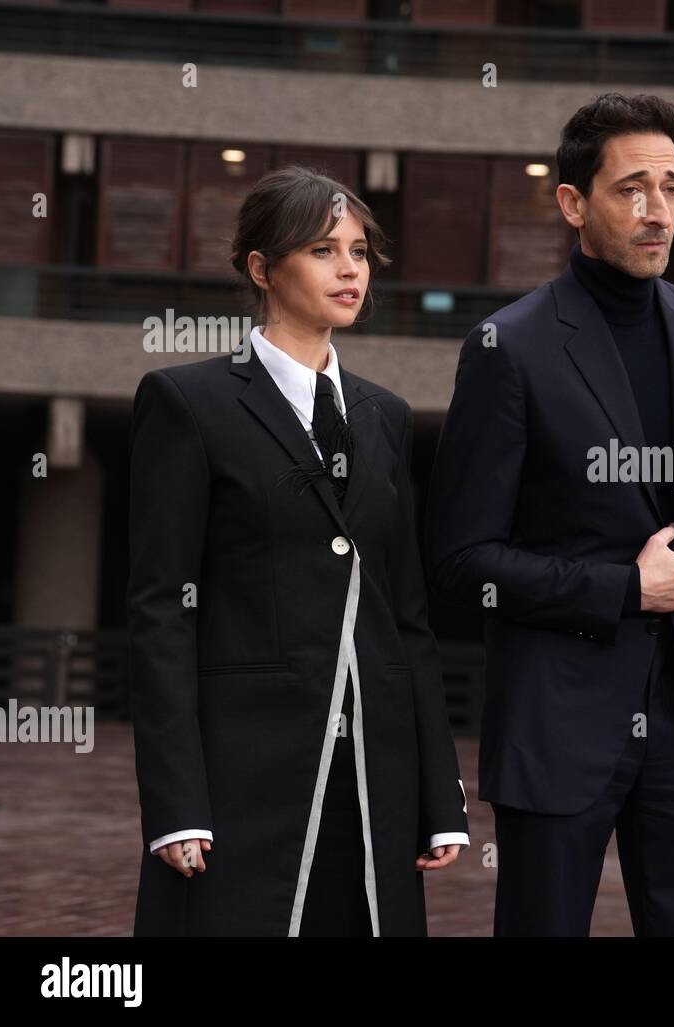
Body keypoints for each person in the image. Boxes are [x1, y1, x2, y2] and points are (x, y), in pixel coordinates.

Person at [426, 93, 674, 936]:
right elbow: (462, 563)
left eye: (672, 187)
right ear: (574, 202)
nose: (657, 211)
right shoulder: (510, 347)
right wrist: (624, 589)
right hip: (557, 726)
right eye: (631, 189)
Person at [128, 165, 468, 936]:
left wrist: (438, 796)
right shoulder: (190, 402)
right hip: (242, 777)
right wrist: (176, 800)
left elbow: (406, 616)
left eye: (360, 251)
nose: (351, 269)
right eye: (323, 250)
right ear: (262, 268)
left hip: (374, 779)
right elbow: (161, 612)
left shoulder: (384, 414)